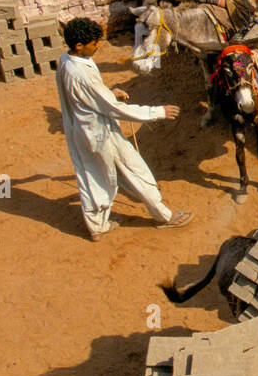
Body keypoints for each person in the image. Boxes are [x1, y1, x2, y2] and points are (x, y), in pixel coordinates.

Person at [55, 17, 192, 242]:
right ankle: (164, 217)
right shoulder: (82, 73)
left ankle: (97, 227)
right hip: (102, 134)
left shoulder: (65, 60)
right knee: (136, 171)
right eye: (94, 43)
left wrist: (108, 93)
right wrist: (158, 112)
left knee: (93, 178)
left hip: (82, 132)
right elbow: (113, 109)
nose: (97, 46)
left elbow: (87, 97)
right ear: (79, 45)